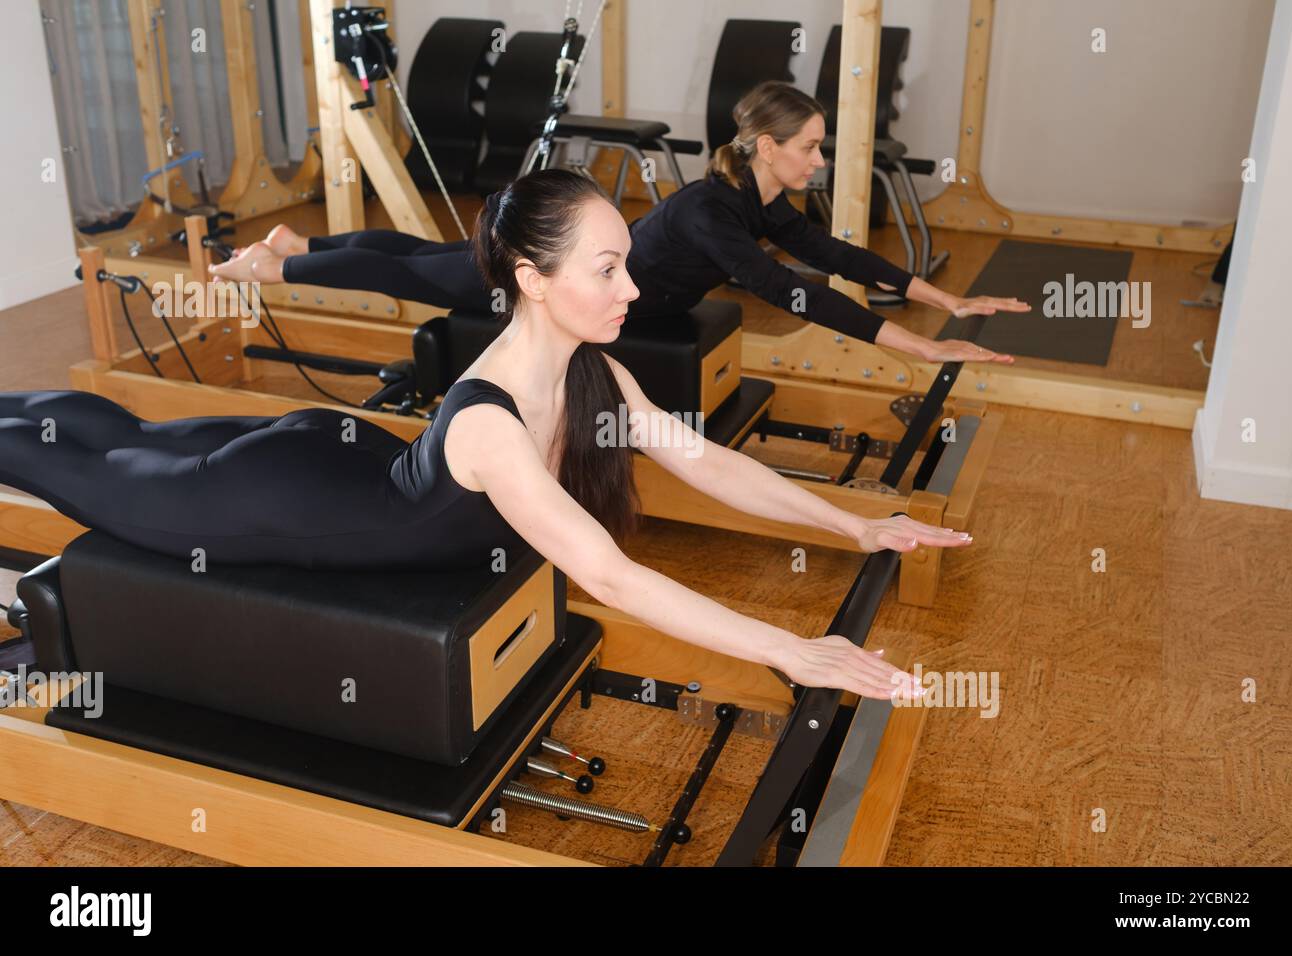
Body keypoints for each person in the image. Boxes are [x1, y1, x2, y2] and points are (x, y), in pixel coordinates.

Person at [1, 170, 972, 700]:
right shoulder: (495, 424)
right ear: (535, 278)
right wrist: (788, 647)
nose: (633, 289)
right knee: (61, 457)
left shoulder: (593, 371)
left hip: (327, 459)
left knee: (110, 431)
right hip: (264, 501)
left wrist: (854, 525)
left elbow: (707, 460)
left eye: (628, 263)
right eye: (608, 269)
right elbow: (614, 576)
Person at [214, 82, 1028, 366]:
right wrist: (917, 344)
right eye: (812, 148)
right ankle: (276, 266)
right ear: (770, 146)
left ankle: (300, 242)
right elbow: (793, 290)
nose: (820, 162)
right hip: (558, 284)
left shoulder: (758, 196)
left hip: (589, 281)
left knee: (428, 256)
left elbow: (829, 252)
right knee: (418, 274)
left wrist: (939, 299)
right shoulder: (716, 212)